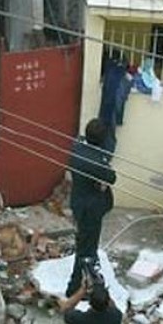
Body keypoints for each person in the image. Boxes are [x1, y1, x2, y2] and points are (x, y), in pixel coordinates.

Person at [66, 119, 116, 297]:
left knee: (84, 244)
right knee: (87, 249)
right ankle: (76, 287)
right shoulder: (97, 161)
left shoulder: (76, 148)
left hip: (79, 202)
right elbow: (111, 178)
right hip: (91, 209)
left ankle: (83, 282)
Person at [58, 278, 122, 324]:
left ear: (89, 302)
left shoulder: (80, 319)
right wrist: (102, 291)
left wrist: (82, 290)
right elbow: (113, 307)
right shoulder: (117, 316)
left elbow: (65, 309)